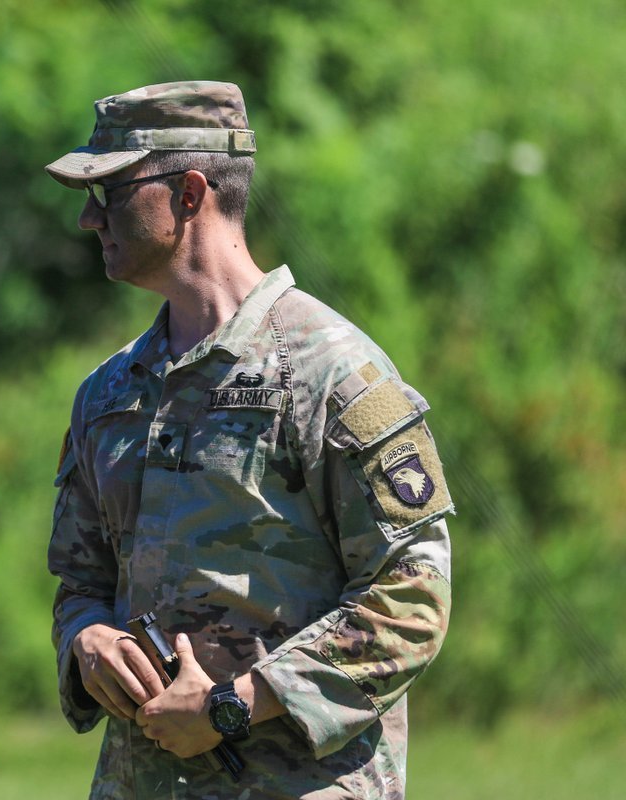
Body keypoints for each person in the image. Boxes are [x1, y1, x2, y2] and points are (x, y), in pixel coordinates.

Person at [45, 81, 453, 799]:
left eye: (109, 191)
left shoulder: (329, 371)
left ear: (190, 193)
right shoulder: (107, 393)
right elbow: (81, 585)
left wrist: (232, 706)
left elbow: (411, 598)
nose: (87, 218)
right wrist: (88, 642)